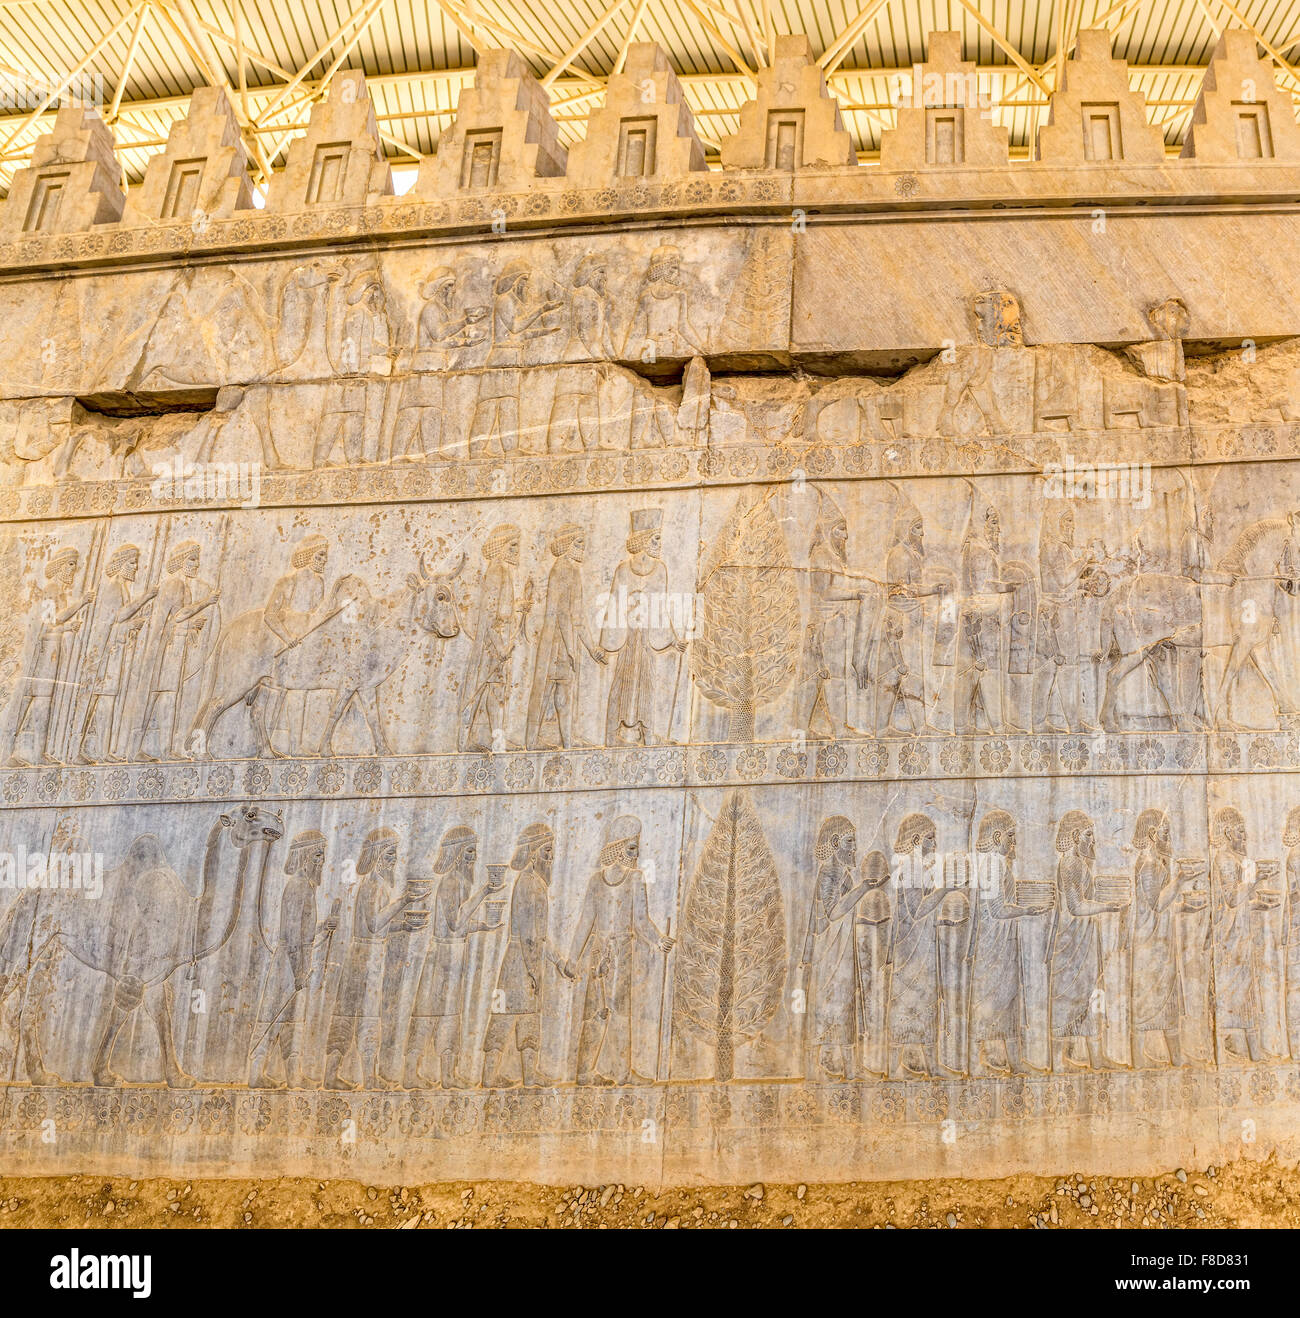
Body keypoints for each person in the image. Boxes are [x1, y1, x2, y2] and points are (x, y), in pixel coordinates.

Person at [569, 816, 673, 1085]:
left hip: (624, 951)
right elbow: (585, 922)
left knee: (621, 1011)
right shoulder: (596, 881)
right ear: (616, 848)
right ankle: (584, 1071)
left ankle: (623, 1072)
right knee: (596, 1010)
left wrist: (658, 939)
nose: (637, 854)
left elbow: (640, 921)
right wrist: (572, 957)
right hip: (600, 951)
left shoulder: (636, 879)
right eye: (631, 848)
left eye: (636, 848)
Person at [403, 826, 499, 1089]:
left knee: (449, 1015)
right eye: (469, 851)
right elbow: (455, 922)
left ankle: (448, 1075)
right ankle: (411, 1073)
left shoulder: (460, 882)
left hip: (454, 954)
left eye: (475, 851)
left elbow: (458, 926)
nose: (474, 857)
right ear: (456, 853)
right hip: (442, 957)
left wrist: (484, 926)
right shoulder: (451, 882)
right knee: (427, 1014)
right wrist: (484, 892)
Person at [482, 822, 576, 1087]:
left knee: (526, 1016)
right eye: (547, 851)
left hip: (522, 958)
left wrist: (559, 963)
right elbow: (531, 937)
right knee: (507, 1017)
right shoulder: (530, 884)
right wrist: (534, 971)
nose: (551, 857)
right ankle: (491, 1076)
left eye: (552, 852)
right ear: (534, 852)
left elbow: (539, 938)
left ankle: (526, 1074)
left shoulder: (533, 882)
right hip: (521, 961)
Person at [248, 830, 337, 1089]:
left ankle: (293, 1076)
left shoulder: (304, 886)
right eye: (318, 855)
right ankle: (256, 1074)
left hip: (295, 959)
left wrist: (322, 927)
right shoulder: (299, 887)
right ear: (306, 856)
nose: (322, 861)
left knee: (292, 1020)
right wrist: (299, 971)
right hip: (289, 962)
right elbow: (294, 936)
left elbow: (303, 931)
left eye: (323, 855)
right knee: (274, 1017)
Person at [324, 829, 409, 1090]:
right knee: (359, 1015)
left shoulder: (378, 884)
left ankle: (361, 1076)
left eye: (395, 854)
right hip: (365, 957)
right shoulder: (372, 884)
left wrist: (403, 926)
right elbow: (373, 924)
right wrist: (404, 901)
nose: (394, 860)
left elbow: (376, 926)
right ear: (379, 856)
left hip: (368, 954)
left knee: (357, 1014)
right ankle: (354, 1078)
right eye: (390, 854)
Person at [598, 509, 686, 746]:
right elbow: (613, 608)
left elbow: (660, 609)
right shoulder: (623, 570)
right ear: (644, 539)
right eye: (656, 538)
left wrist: (672, 639)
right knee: (622, 681)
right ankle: (612, 733)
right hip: (627, 637)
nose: (659, 543)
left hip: (647, 637)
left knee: (646, 682)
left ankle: (645, 733)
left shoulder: (660, 570)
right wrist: (606, 645)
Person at [1049, 811, 1127, 1070]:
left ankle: (1096, 1056)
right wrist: (1107, 907)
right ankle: (1058, 1063)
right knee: (1068, 996)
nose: (1093, 840)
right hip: (1071, 939)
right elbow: (1076, 906)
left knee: (1092, 992)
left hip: (1084, 938)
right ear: (1075, 836)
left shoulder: (1079, 863)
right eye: (1088, 835)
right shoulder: (1070, 864)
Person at [5, 546, 94, 767]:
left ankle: (36, 752)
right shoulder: (51, 590)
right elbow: (49, 622)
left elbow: (54, 626)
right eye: (71, 565)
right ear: (60, 567)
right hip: (45, 655)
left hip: (53, 652)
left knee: (42, 703)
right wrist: (80, 604)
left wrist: (67, 628)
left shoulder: (59, 592)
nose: (75, 570)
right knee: (38, 702)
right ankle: (21, 753)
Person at [800, 816, 870, 1080]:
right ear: (835, 843)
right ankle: (827, 1062)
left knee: (845, 1003)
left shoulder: (842, 873)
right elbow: (832, 913)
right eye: (850, 842)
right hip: (829, 953)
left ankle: (850, 1067)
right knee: (833, 1004)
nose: (854, 848)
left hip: (840, 951)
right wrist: (863, 888)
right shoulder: (829, 873)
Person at [525, 524, 606, 749]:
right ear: (567, 545)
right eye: (578, 543)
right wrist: (572, 648)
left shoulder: (572, 570)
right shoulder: (562, 569)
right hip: (556, 642)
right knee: (546, 691)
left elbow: (577, 615)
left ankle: (567, 741)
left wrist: (592, 648)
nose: (583, 547)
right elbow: (562, 612)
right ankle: (531, 743)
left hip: (564, 639)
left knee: (563, 692)